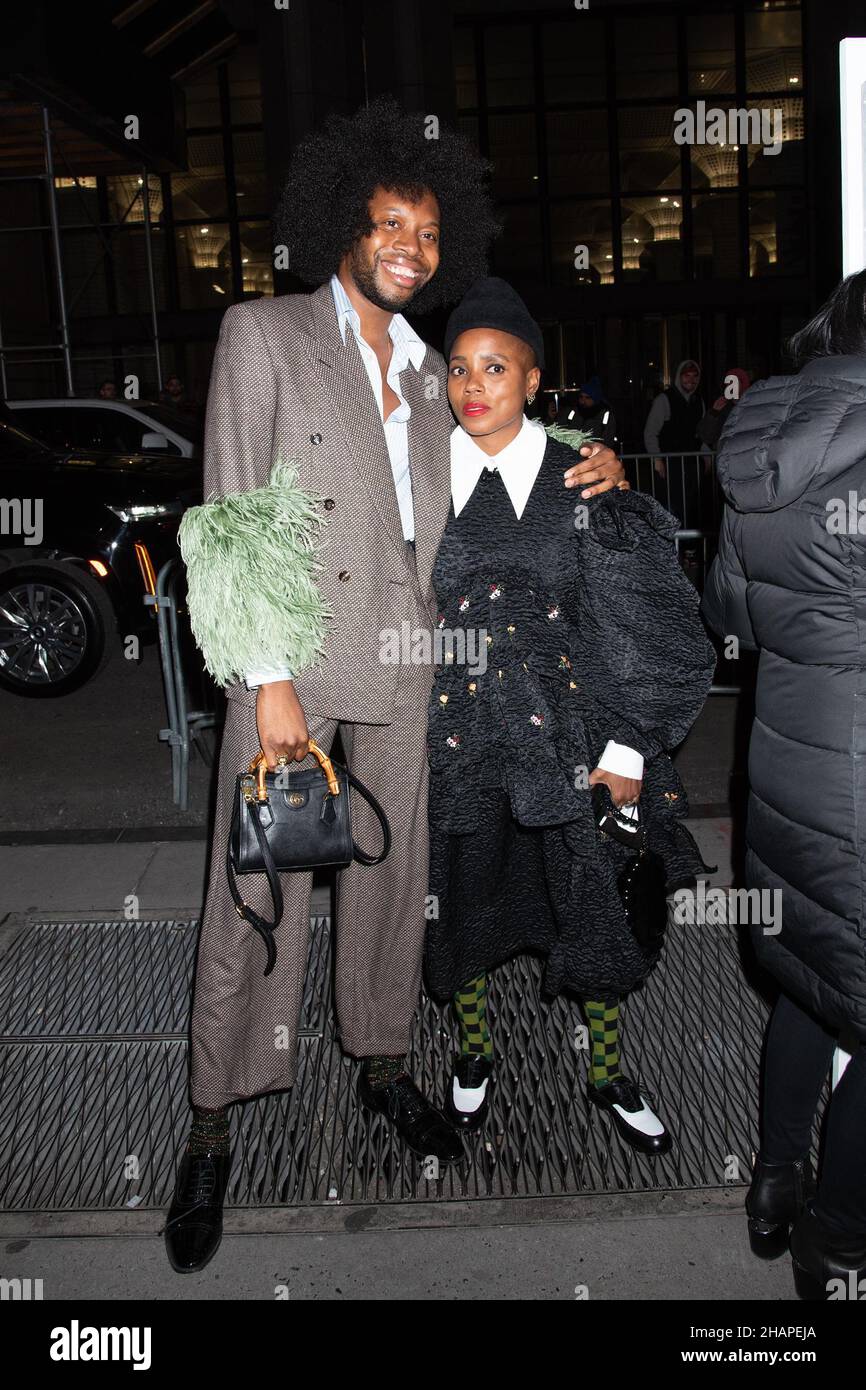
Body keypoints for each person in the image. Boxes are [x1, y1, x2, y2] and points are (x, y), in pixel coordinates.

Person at [167, 100, 626, 1273]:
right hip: (294, 664)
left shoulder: (430, 369)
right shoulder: (263, 332)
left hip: (406, 666)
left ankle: (382, 1063)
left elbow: (498, 430)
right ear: (346, 225)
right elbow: (223, 519)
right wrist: (265, 681)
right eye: (389, 222)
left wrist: (587, 453)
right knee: (255, 891)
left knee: (391, 887)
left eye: (427, 229)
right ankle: (215, 1119)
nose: (409, 245)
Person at [424, 278, 716, 1153]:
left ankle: (607, 1070)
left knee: (595, 902)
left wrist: (628, 746)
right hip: (463, 735)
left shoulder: (585, 478)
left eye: (497, 367)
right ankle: (472, 1056)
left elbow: (646, 622)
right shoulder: (418, 477)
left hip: (577, 739)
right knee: (467, 901)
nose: (475, 385)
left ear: (533, 378)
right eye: (461, 368)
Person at [703, 270, 866, 1300]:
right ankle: (836, 1238)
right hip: (856, 779)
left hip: (779, 758)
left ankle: (771, 1179)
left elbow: (734, 615)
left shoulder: (752, 443)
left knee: (812, 979)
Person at [644, 359, 703, 526]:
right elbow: (650, 432)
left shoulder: (699, 401)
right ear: (679, 376)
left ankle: (689, 549)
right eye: (686, 376)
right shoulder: (664, 399)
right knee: (669, 507)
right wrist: (657, 459)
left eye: (694, 376)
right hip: (669, 466)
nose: (690, 380)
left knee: (691, 507)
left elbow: (700, 435)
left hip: (691, 466)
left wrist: (706, 458)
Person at [556, 376, 617, 447]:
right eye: (581, 397)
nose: (583, 401)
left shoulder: (605, 416)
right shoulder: (571, 412)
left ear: (595, 399)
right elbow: (557, 431)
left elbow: (608, 441)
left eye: (587, 398)